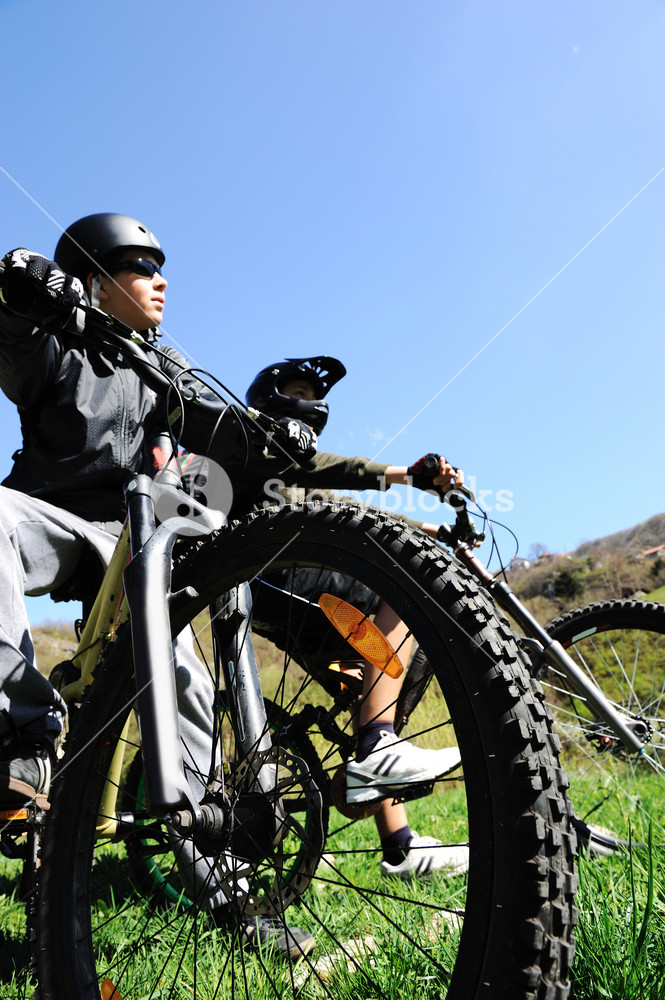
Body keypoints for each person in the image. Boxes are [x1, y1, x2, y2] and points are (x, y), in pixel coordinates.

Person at [0, 214, 318, 958]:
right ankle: (22, 742)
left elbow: (221, 427)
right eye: (142, 268)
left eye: (160, 267)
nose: (162, 280)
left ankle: (222, 886)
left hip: (139, 538)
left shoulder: (166, 363)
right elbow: (10, 335)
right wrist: (18, 282)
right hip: (53, 517)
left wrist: (276, 434)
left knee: (189, 682)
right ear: (92, 281)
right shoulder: (55, 340)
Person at [243, 357, 470, 879]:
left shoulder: (296, 480)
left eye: (312, 395)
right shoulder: (256, 442)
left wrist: (430, 535)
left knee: (376, 678)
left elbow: (356, 513)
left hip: (306, 596)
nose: (309, 401)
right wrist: (406, 474)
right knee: (403, 587)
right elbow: (339, 469)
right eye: (297, 390)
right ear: (272, 399)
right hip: (282, 581)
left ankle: (400, 844)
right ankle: (374, 748)